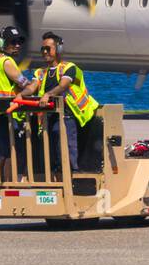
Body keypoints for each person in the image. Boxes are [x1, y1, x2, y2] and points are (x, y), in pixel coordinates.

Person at [25, 31, 102, 174]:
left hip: (68, 114)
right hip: (49, 116)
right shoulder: (40, 72)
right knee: (51, 146)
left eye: (48, 48)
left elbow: (63, 85)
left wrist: (48, 94)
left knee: (66, 145)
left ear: (59, 49)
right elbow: (32, 87)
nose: (45, 52)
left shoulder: (69, 67)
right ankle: (55, 172)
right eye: (43, 49)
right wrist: (20, 95)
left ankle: (72, 173)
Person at [0, 26, 31, 180]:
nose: (17, 45)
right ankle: (8, 187)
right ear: (2, 43)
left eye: (19, 41)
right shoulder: (7, 62)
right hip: (7, 114)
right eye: (13, 42)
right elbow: (25, 83)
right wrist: (35, 84)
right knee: (11, 152)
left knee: (2, 152)